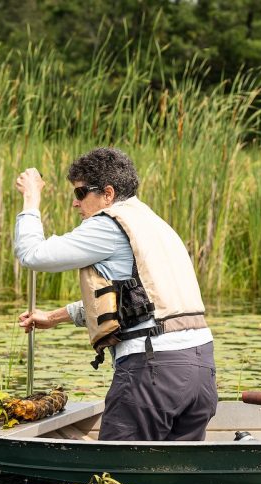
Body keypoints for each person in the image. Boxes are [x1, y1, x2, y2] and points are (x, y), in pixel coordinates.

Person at [13, 147, 217, 441]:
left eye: (81, 193)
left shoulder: (109, 224)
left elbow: (33, 255)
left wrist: (31, 199)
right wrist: (55, 317)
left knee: (116, 467)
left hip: (153, 370)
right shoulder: (154, 223)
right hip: (202, 369)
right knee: (175, 469)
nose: (75, 202)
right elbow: (135, 302)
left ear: (107, 194)